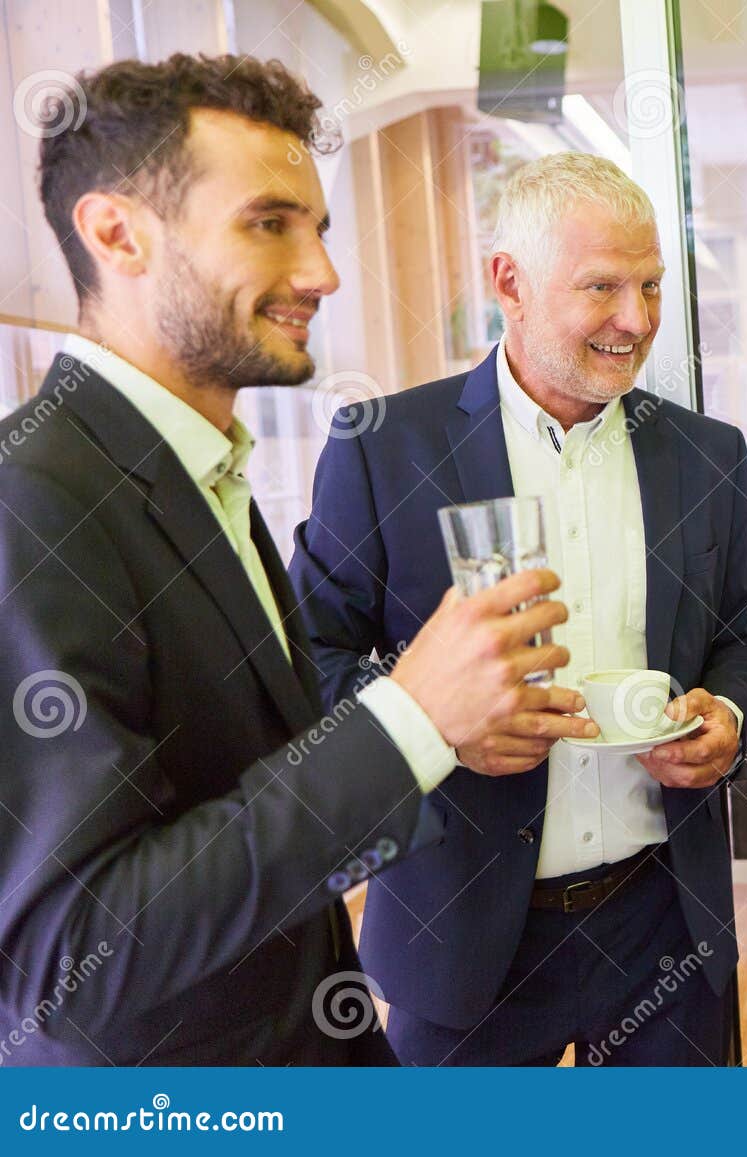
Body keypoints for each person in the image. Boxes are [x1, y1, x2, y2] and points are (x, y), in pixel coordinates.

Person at [0, 54, 582, 1065]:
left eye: (318, 228)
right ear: (115, 233)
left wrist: (433, 727)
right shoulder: (30, 499)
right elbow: (68, 954)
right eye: (269, 223)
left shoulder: (200, 466)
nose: (322, 273)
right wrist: (410, 717)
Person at [290, 152, 747, 1066]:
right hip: (464, 931)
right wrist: (439, 724)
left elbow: (744, 638)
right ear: (507, 282)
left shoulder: (709, 454)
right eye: (602, 286)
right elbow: (306, 662)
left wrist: (727, 712)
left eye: (650, 285)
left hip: (664, 921)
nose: (635, 320)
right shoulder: (384, 449)